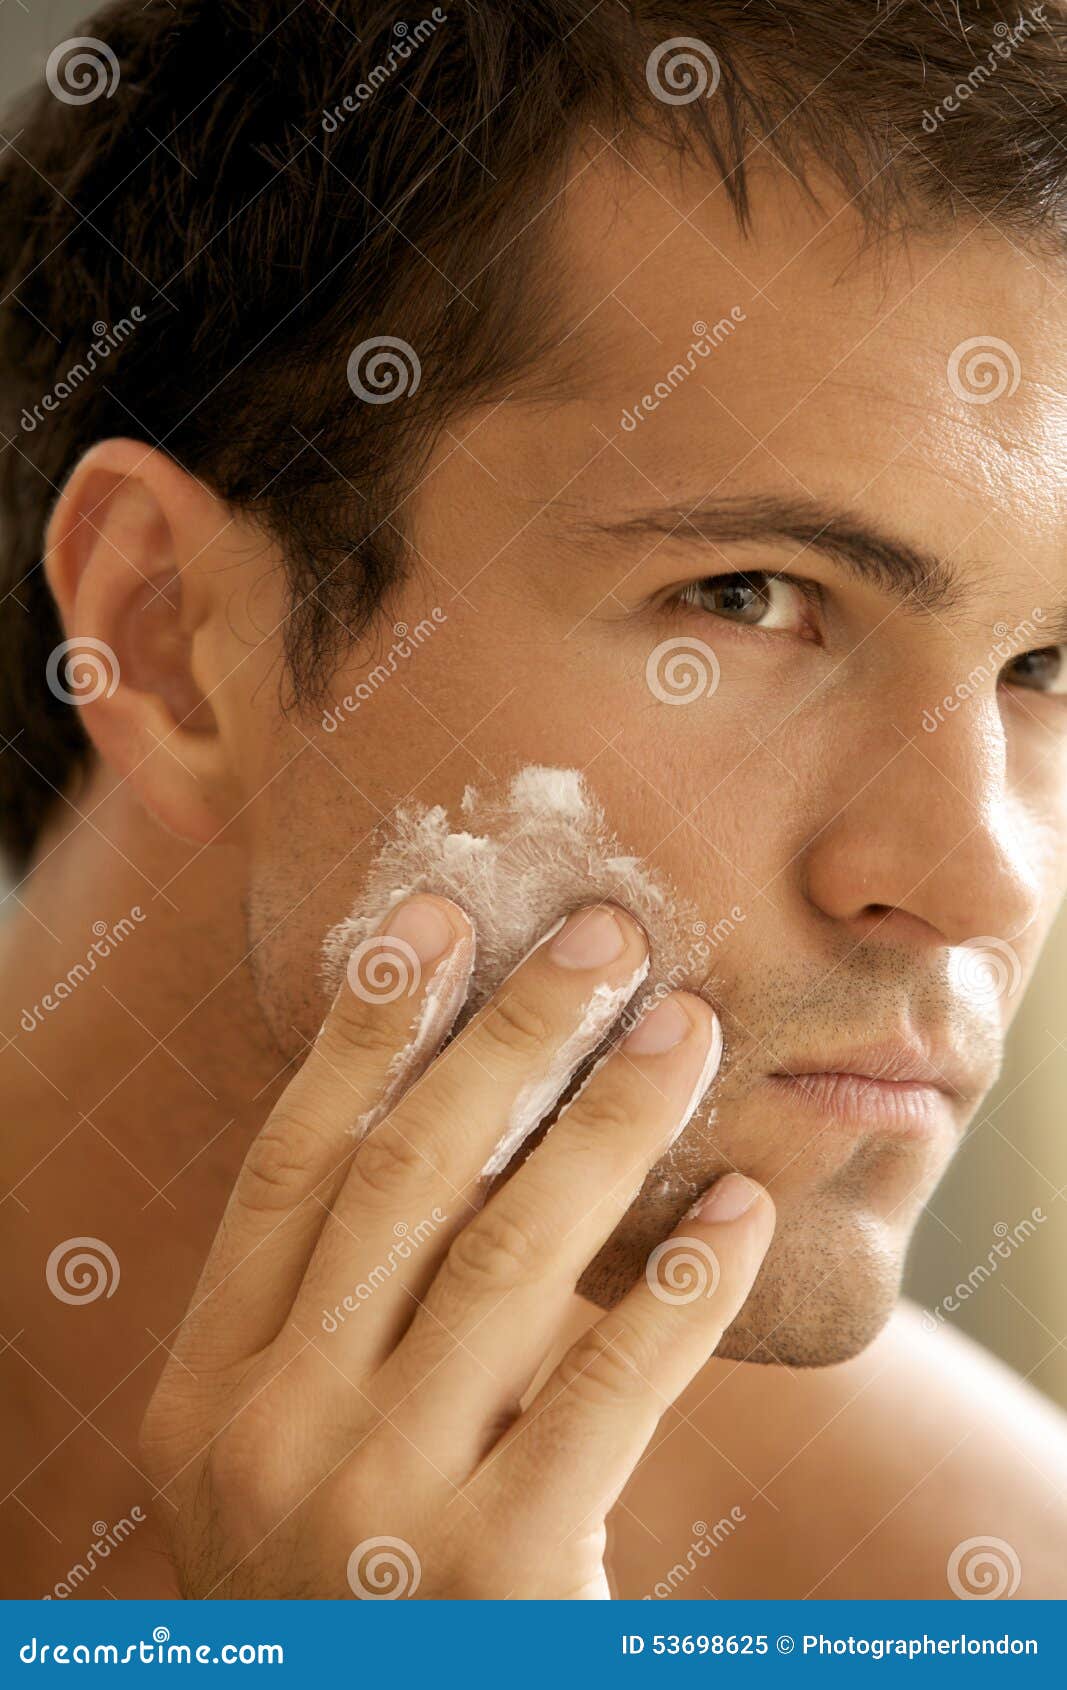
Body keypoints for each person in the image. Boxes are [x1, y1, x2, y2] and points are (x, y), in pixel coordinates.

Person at [2, 0, 1066, 1600]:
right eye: (750, 595)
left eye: (1047, 667)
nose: (980, 880)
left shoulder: (959, 1583)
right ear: (170, 642)